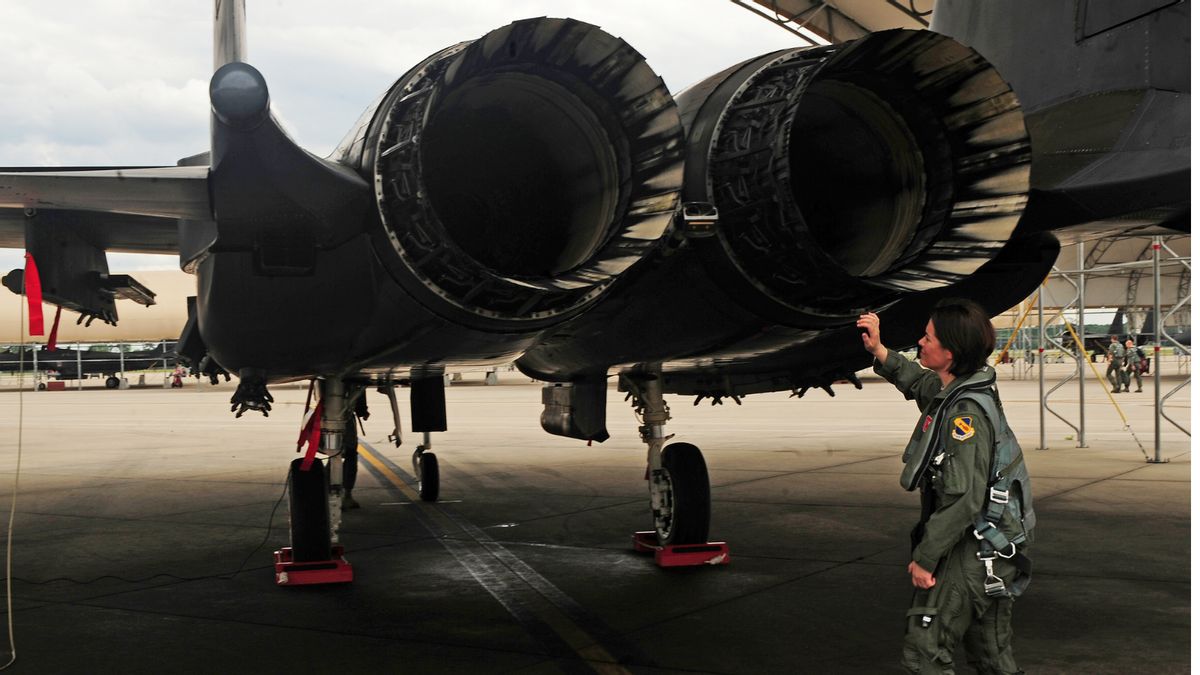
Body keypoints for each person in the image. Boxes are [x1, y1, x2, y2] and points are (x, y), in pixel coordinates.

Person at [858, 300, 1035, 674]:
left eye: (928, 337)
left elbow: (963, 500)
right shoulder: (962, 388)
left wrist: (925, 558)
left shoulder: (965, 415)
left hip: (979, 544)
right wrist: (880, 351)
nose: (920, 342)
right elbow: (922, 384)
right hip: (998, 544)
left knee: (925, 650)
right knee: (991, 653)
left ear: (950, 353)